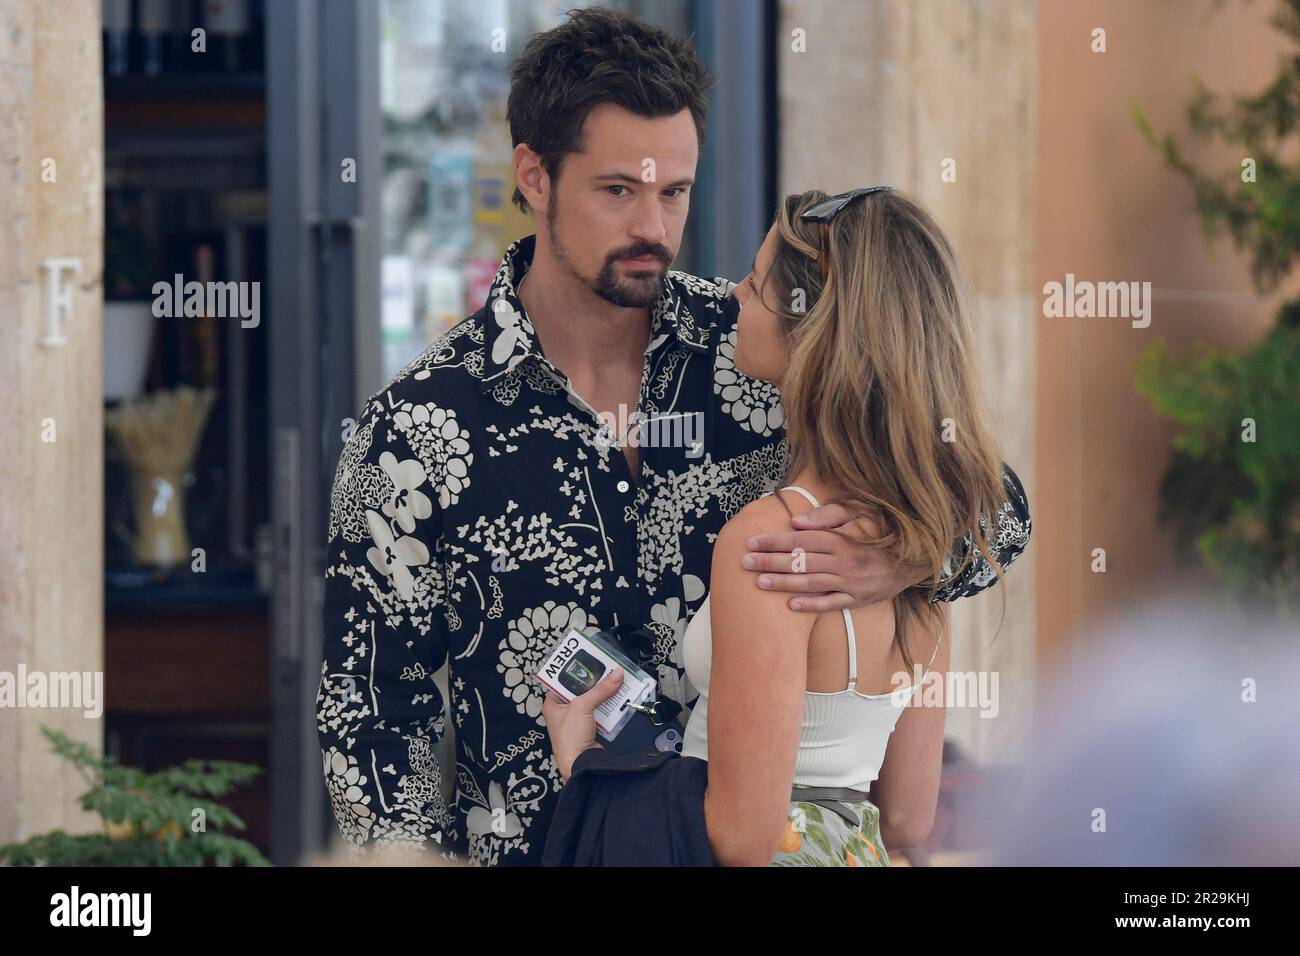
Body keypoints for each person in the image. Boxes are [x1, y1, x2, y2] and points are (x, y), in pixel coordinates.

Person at [316, 7, 1030, 867]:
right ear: (534, 177)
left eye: (675, 191)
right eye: (618, 190)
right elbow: (370, 708)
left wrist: (902, 551)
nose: (653, 227)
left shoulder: (766, 351)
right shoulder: (413, 430)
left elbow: (995, 507)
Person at [543, 186, 1027, 866]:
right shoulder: (924, 545)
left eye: (757, 284)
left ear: (814, 327)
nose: (735, 296)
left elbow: (739, 838)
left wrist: (584, 764)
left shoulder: (771, 544)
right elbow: (912, 822)